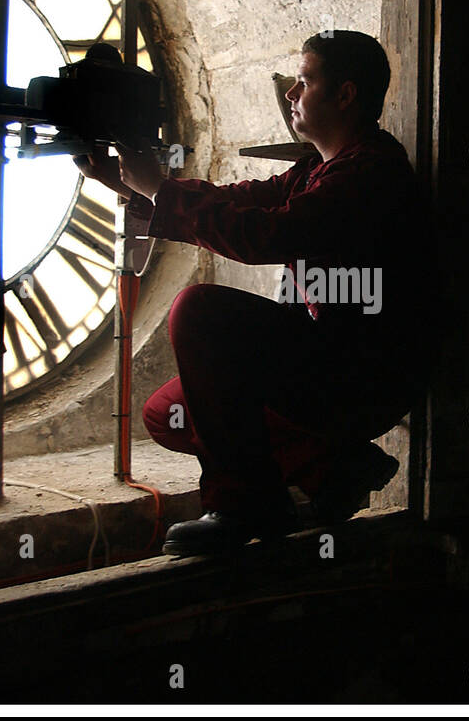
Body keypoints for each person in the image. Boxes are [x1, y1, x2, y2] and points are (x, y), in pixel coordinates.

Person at [75, 30, 436, 555]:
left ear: (345, 95)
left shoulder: (372, 173)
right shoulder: (317, 169)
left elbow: (263, 236)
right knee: (164, 414)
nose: (291, 92)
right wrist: (131, 184)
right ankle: (331, 466)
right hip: (327, 366)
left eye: (305, 80)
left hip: (364, 375)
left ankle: (246, 504)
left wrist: (159, 190)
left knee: (198, 311)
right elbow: (237, 202)